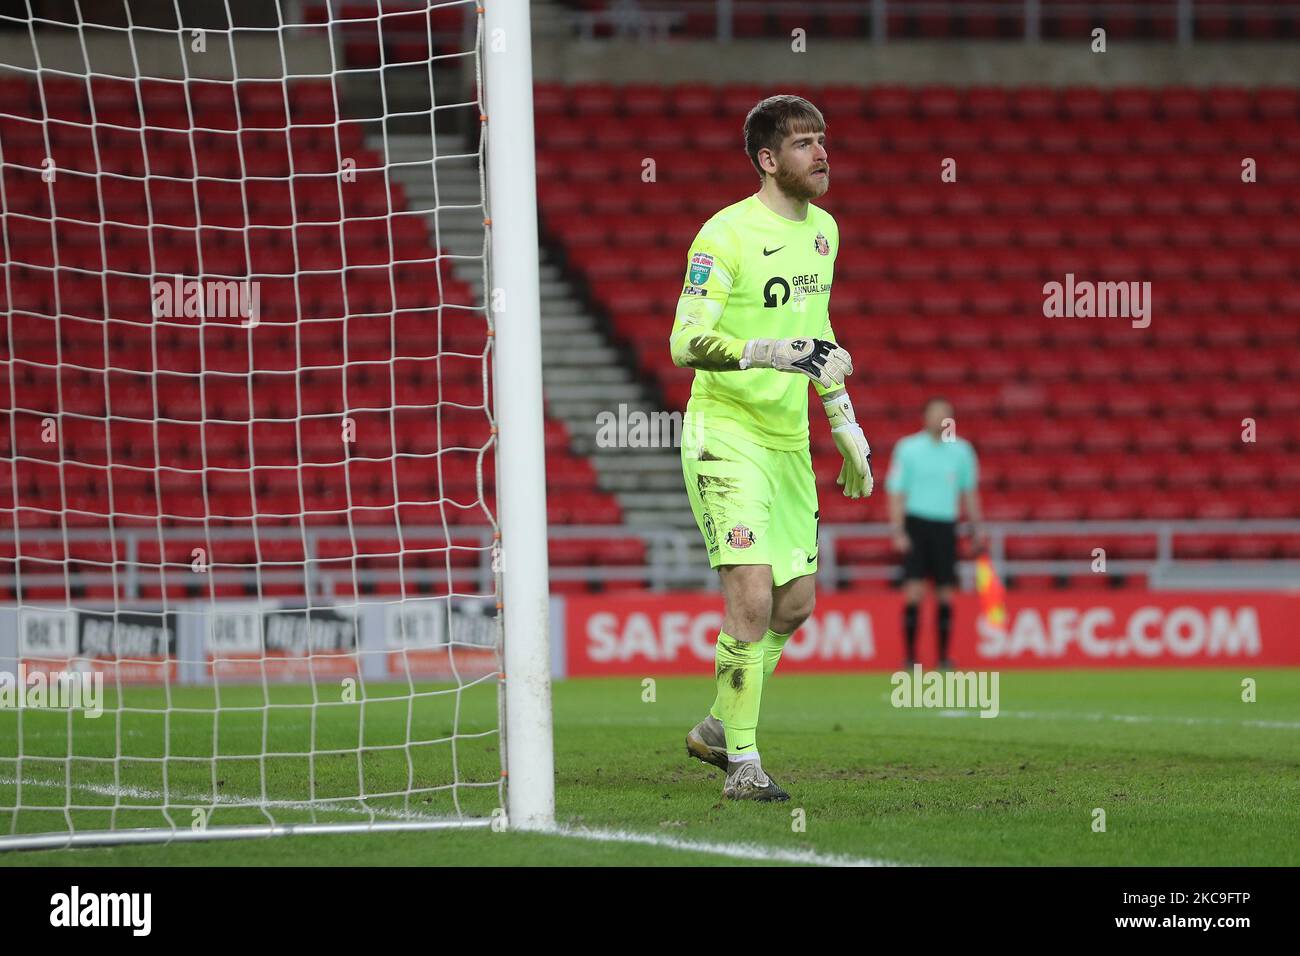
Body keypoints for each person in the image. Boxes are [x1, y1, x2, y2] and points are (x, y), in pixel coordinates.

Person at [668, 95, 873, 801]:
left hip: (788, 441)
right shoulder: (723, 235)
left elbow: (817, 338)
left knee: (795, 607)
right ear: (767, 159)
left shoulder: (826, 234)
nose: (820, 153)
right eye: (803, 143)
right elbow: (684, 340)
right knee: (752, 601)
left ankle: (722, 724)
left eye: (822, 140)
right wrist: (768, 349)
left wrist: (843, 423)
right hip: (725, 433)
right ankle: (744, 765)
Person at [886, 397, 985, 670]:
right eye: (936, 413)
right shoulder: (908, 448)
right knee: (914, 592)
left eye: (946, 414)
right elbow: (896, 492)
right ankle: (910, 657)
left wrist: (977, 528)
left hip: (946, 526)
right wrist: (898, 530)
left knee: (945, 593)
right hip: (916, 524)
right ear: (925, 417)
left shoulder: (962, 451)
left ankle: (943, 657)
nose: (941, 419)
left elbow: (970, 493)